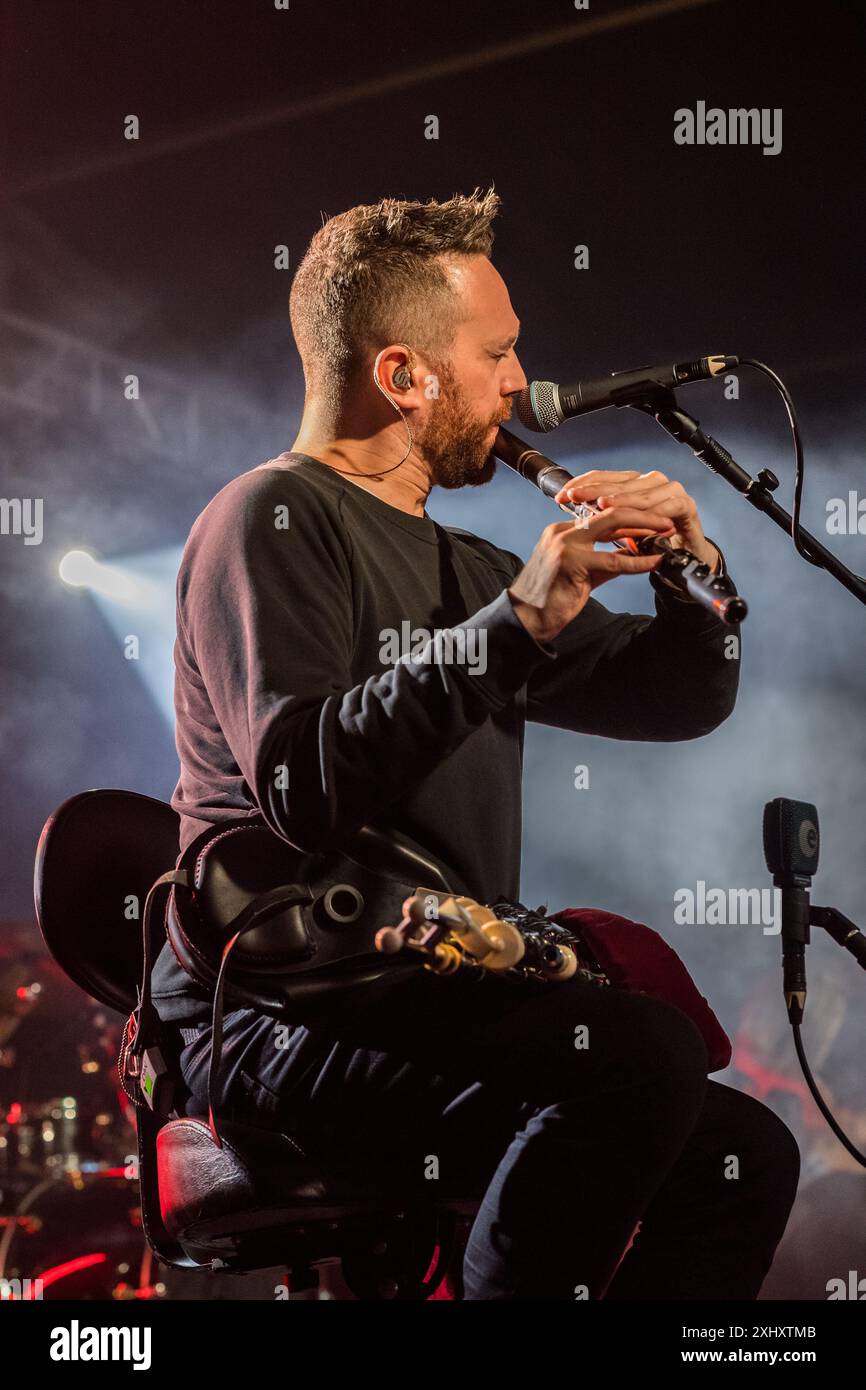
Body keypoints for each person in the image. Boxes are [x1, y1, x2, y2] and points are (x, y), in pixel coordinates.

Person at [150, 189, 799, 1299]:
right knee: (633, 1062)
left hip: (412, 986)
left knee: (739, 1156)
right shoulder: (267, 521)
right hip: (272, 1008)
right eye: (496, 353)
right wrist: (519, 623)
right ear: (403, 375)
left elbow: (674, 700)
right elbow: (302, 784)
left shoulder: (465, 563)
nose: (519, 384)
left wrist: (699, 583)